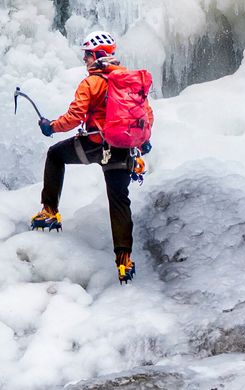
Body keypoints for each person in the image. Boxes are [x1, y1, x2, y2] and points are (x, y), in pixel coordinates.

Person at [30, 31, 153, 283]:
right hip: (123, 149)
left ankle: (49, 211)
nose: (85, 59)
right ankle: (124, 261)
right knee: (119, 202)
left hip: (95, 145)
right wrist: (141, 142)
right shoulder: (129, 82)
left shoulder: (92, 83)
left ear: (97, 55)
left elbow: (75, 116)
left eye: (87, 54)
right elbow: (146, 116)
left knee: (55, 155)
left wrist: (51, 127)